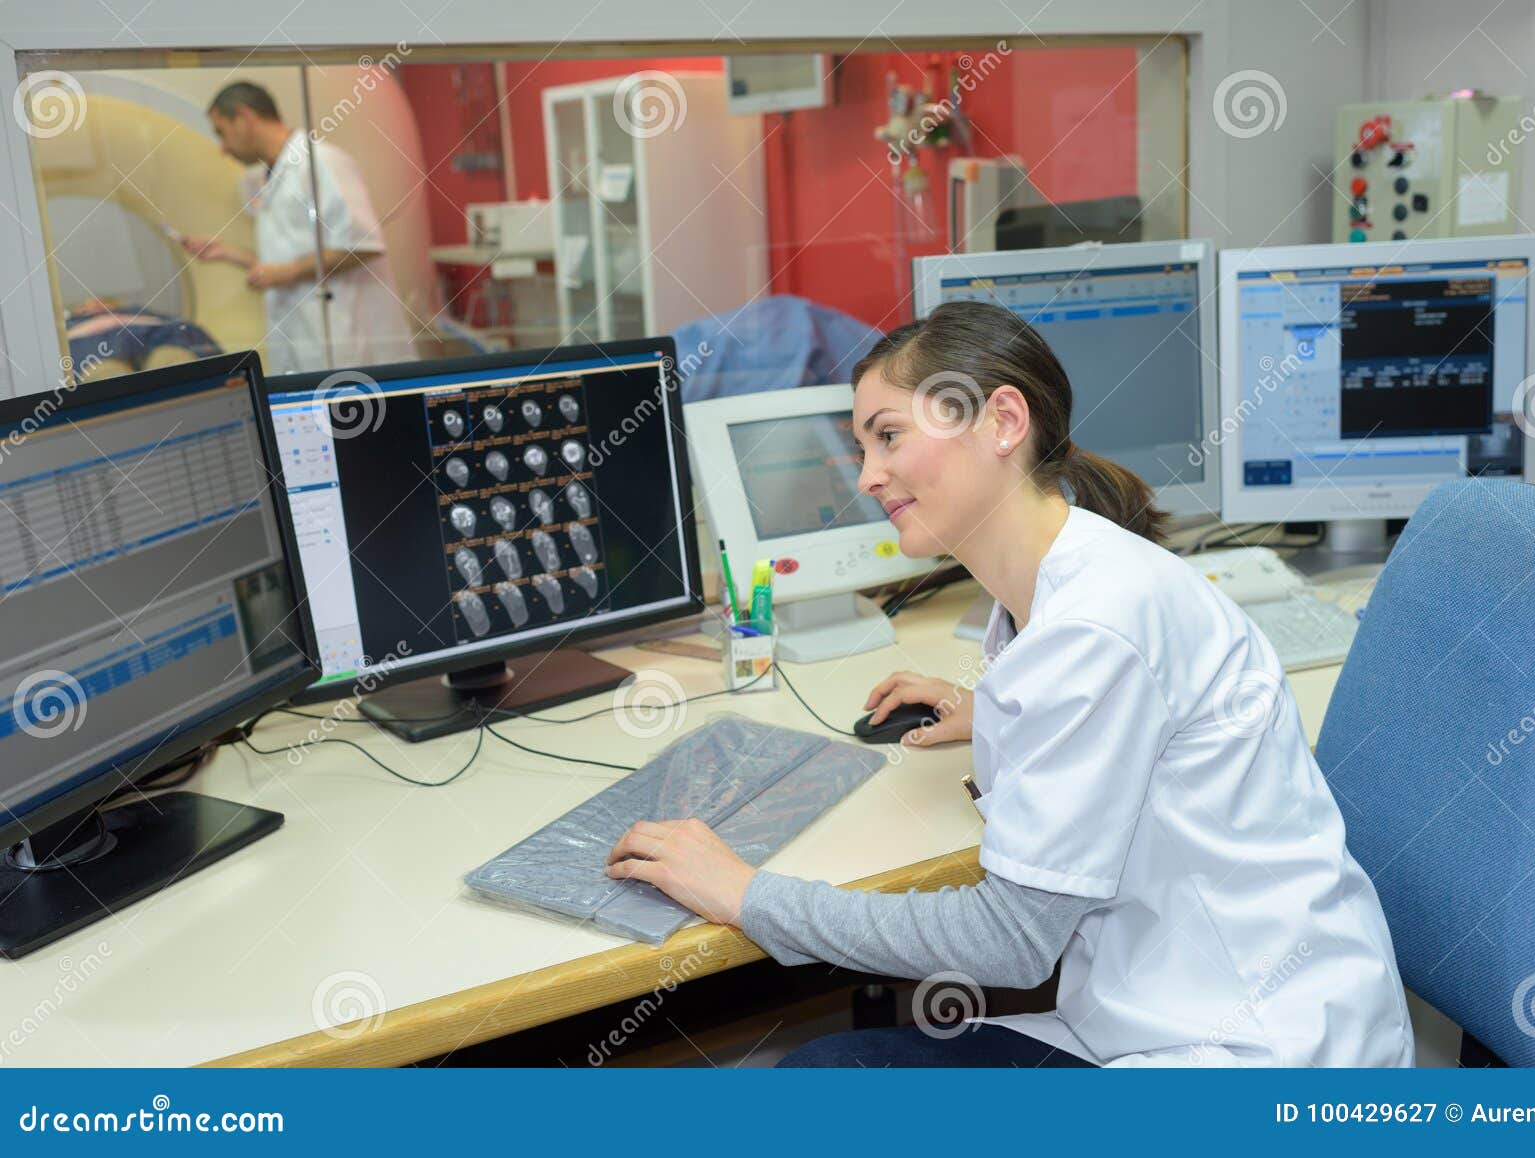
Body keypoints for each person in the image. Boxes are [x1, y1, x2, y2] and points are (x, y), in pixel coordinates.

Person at [604, 300, 1416, 1068]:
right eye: (862, 449)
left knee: (821, 1081)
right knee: (829, 1072)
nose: (869, 476)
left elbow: (1011, 941)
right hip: (1164, 1006)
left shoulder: (1093, 629)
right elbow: (1108, 715)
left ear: (1001, 421)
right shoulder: (1062, 588)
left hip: (1260, 1053)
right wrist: (999, 712)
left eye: (889, 436)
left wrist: (748, 895)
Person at [181, 81, 416, 373]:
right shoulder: (264, 177)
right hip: (305, 339)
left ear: (244, 117)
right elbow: (289, 257)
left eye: (222, 132)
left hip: (349, 341)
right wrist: (227, 253)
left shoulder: (321, 162)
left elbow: (362, 245)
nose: (223, 148)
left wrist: (286, 273)